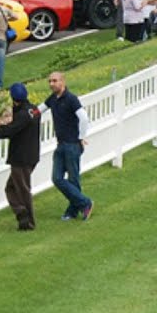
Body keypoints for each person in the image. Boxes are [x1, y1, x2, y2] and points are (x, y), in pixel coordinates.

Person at [0, 83, 42, 231]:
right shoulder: (33, 109)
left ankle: (28, 221)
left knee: (22, 189)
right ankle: (21, 213)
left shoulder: (22, 114)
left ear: (13, 98)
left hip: (21, 158)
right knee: (11, 188)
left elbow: (10, 131)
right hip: (31, 154)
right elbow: (17, 127)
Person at [41, 72, 93, 221]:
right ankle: (83, 203)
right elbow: (40, 109)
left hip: (72, 145)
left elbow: (83, 117)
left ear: (62, 81)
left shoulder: (71, 99)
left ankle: (74, 210)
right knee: (57, 178)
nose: (51, 84)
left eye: (54, 81)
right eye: (50, 81)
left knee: (73, 179)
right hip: (61, 145)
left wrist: (81, 137)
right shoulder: (53, 99)